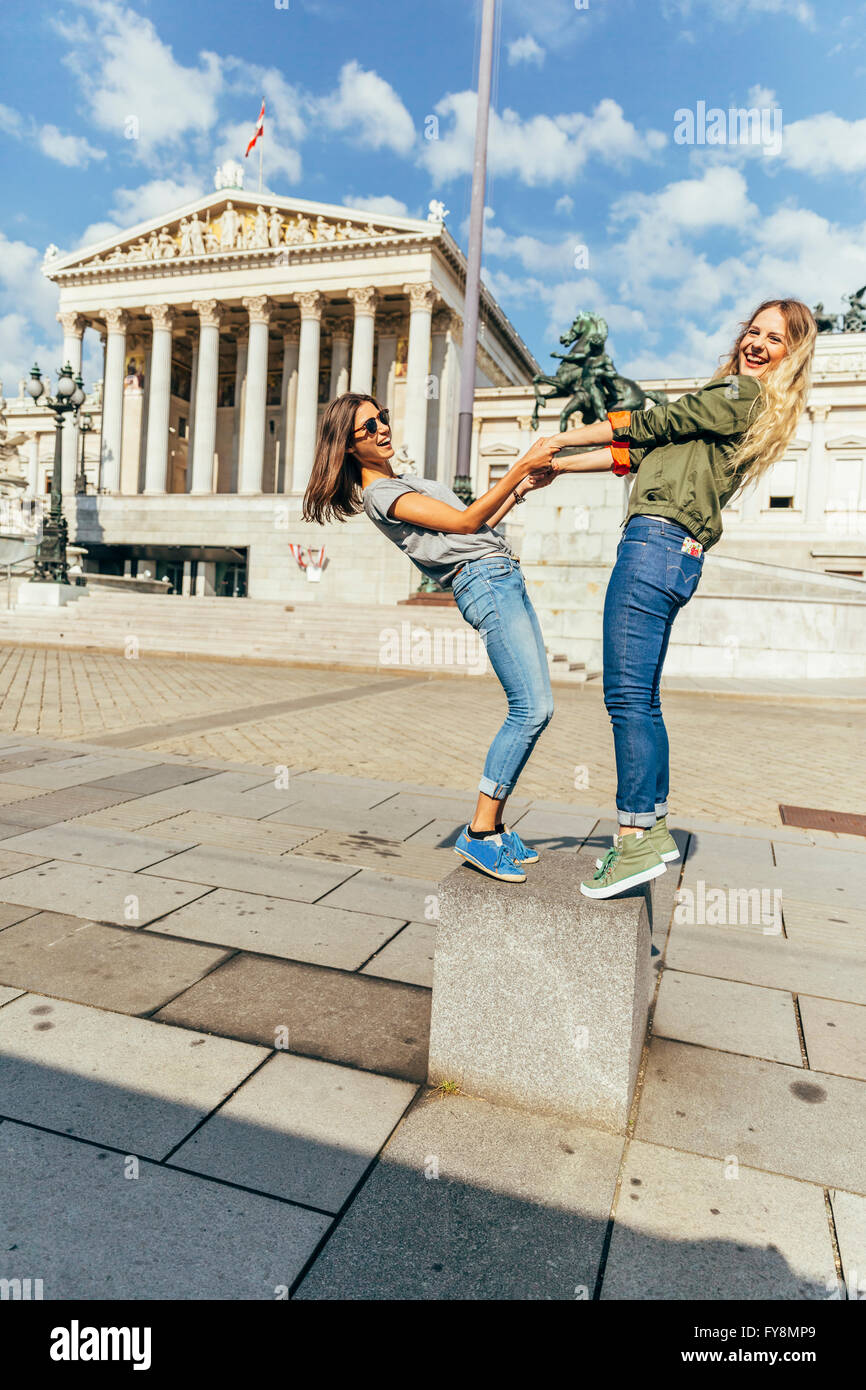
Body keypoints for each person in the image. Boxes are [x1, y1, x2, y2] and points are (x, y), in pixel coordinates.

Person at [543, 298, 817, 898]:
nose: (758, 343)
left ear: (792, 354)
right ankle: (656, 825)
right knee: (644, 698)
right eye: (754, 331)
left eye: (775, 339)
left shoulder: (740, 398)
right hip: (674, 551)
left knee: (626, 699)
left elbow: (653, 422)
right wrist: (561, 467)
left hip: (655, 543)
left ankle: (633, 839)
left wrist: (556, 441)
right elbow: (640, 452)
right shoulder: (736, 404)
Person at [303, 392, 558, 882]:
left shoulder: (404, 481)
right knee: (532, 707)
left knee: (536, 705)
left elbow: (472, 530)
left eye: (382, 418)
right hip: (484, 583)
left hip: (499, 572)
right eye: (368, 428)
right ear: (349, 447)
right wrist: (518, 464)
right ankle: (481, 832)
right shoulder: (381, 494)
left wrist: (519, 487)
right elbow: (465, 522)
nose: (382, 429)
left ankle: (497, 827)